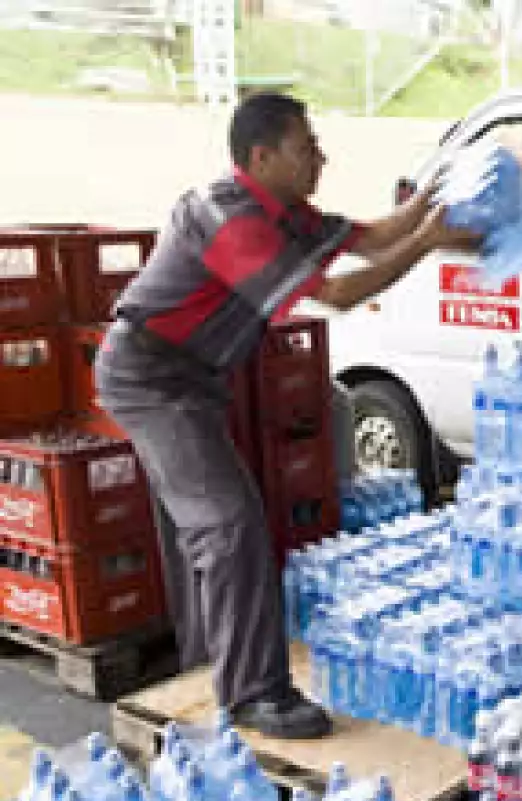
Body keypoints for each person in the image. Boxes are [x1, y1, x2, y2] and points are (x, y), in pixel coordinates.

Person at [95, 92, 470, 738]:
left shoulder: (289, 213)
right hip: (151, 378)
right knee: (229, 525)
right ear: (261, 156)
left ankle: (205, 664)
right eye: (307, 147)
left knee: (203, 530)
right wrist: (428, 242)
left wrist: (429, 206)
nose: (321, 157)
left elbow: (373, 237)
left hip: (194, 377)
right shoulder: (230, 219)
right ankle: (253, 694)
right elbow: (338, 293)